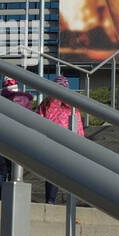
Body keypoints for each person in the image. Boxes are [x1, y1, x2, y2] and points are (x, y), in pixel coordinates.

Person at [36, 75, 84, 205]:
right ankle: (71, 200)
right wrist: (81, 142)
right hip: (67, 143)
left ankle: (50, 200)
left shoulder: (45, 104)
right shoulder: (72, 106)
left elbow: (37, 122)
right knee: (69, 172)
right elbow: (78, 125)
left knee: (52, 173)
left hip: (50, 142)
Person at [0, 78, 34, 199]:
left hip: (1, 138)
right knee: (14, 169)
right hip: (18, 138)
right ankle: (12, 195)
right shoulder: (24, 101)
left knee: (1, 170)